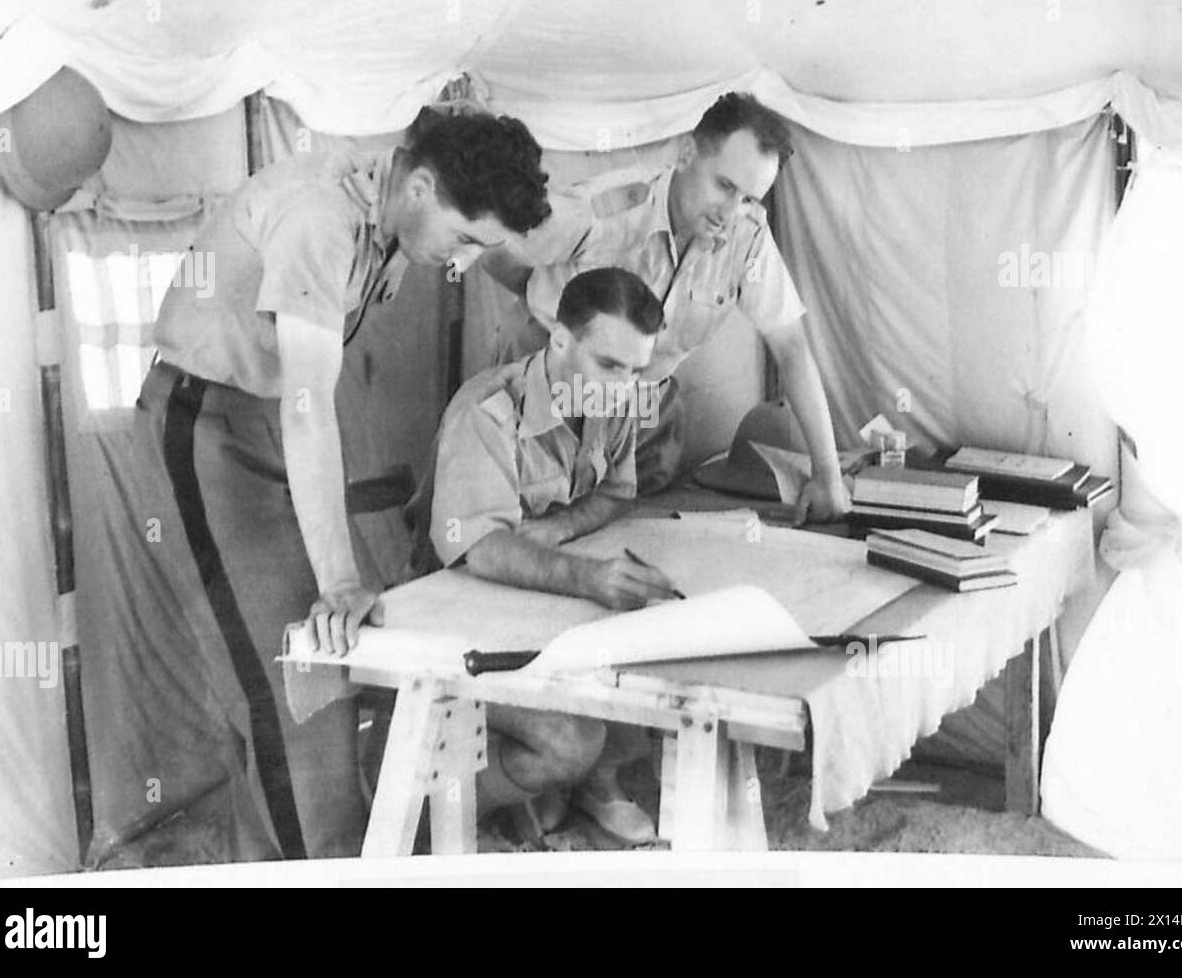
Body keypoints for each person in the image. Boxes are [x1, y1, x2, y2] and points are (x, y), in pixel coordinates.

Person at [136, 107, 552, 860]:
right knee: (294, 683)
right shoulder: (321, 217)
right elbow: (307, 410)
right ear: (420, 185)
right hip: (204, 424)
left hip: (263, 417)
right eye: (464, 238)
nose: (462, 264)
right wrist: (338, 580)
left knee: (295, 673)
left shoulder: (394, 214)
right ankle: (324, 862)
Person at [486, 92, 851, 520]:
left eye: (750, 198)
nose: (731, 212)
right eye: (725, 186)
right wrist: (542, 307)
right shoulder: (607, 208)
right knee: (505, 515)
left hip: (636, 408)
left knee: (618, 526)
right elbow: (494, 246)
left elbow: (790, 346)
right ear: (687, 153)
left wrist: (828, 475)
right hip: (553, 385)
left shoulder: (747, 238)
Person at [411, 267, 674, 845]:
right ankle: (436, 813)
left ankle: (565, 789)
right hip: (455, 628)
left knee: (649, 685)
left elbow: (615, 492)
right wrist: (587, 576)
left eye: (636, 369)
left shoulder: (616, 399)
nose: (623, 386)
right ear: (559, 338)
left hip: (538, 607)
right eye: (608, 364)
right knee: (571, 740)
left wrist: (554, 531)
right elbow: (479, 550)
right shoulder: (487, 410)